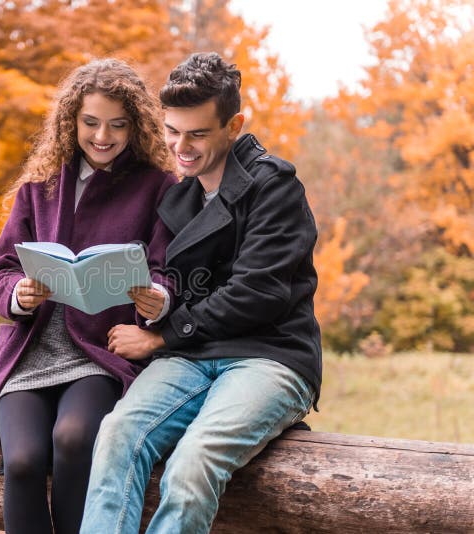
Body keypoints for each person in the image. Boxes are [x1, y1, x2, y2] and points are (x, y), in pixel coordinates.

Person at [80, 52, 322, 533]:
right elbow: (172, 281)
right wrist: (153, 302)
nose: (180, 147)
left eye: (197, 134)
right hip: (193, 355)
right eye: (172, 131)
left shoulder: (275, 187)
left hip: (269, 355)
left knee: (193, 462)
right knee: (116, 433)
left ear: (234, 125)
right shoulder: (179, 196)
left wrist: (162, 337)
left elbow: (257, 293)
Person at [0, 58, 178, 534]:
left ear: (136, 126)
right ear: (71, 121)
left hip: (99, 353)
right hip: (30, 354)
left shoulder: (157, 186)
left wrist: (157, 299)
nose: (103, 136)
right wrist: (19, 295)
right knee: (21, 462)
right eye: (91, 123)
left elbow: (168, 272)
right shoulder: (37, 188)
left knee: (74, 436)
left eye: (117, 125)